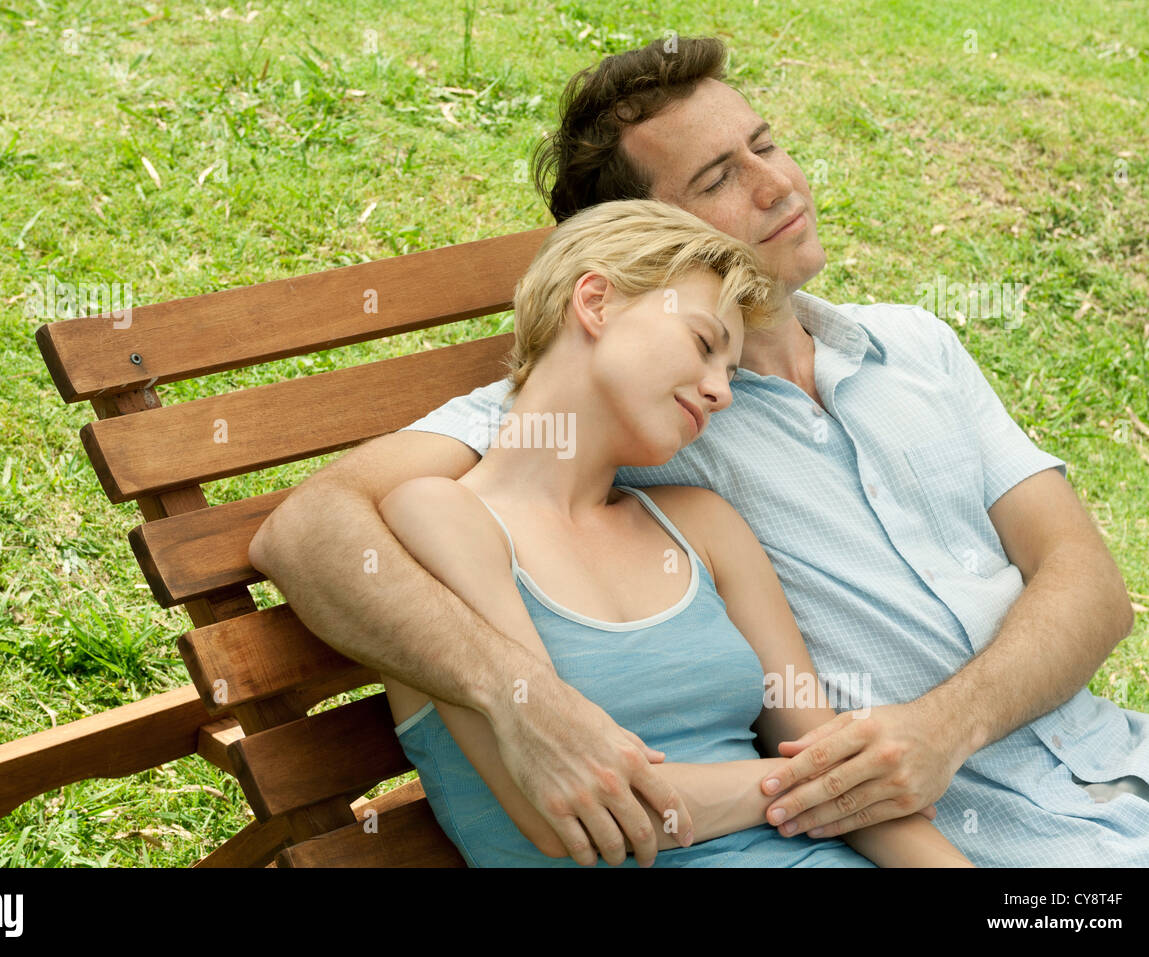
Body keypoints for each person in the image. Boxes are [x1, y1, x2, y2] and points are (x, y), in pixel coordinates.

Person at [249, 36, 1149, 868]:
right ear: (638, 250)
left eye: (765, 145)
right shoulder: (613, 413)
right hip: (977, 839)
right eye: (717, 179)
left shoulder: (918, 344)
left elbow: (1088, 580)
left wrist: (944, 725)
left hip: (1125, 771)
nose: (777, 185)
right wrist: (523, 699)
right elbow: (311, 529)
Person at [377, 197, 971, 867]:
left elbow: (841, 769)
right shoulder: (439, 519)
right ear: (596, 302)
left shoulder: (701, 525)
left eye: (730, 371)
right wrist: (821, 785)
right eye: (702, 344)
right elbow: (578, 809)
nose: (721, 391)